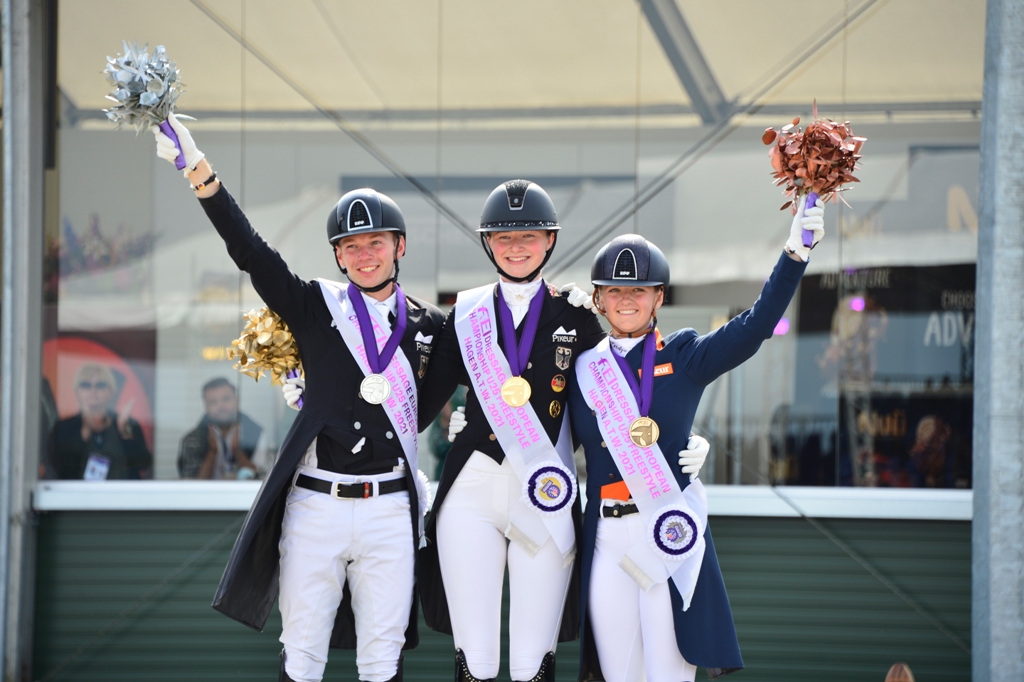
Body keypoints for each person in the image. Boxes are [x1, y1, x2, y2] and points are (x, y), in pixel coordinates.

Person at [153, 114, 445, 682]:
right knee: (303, 655)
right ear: (338, 256)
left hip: (389, 508)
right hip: (317, 504)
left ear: (399, 246)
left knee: (382, 659)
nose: (364, 255)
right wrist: (199, 173)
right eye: (351, 246)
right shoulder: (314, 306)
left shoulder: (430, 326)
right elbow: (251, 252)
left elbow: (430, 407)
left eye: (376, 242)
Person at [566, 197, 824, 682]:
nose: (627, 299)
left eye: (639, 290)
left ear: (659, 298)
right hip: (606, 537)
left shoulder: (684, 356)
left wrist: (795, 254)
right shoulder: (583, 369)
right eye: (615, 290)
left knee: (668, 674)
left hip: (665, 528)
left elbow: (755, 326)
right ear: (598, 299)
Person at [413, 180, 605, 682]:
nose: (516, 247)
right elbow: (418, 404)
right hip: (471, 491)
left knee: (532, 662)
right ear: (488, 244)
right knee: (474, 658)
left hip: (544, 491)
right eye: (504, 237)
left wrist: (673, 438)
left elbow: (614, 399)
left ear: (550, 241)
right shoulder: (466, 315)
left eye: (529, 236)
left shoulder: (577, 316)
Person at [46, 363, 152, 480]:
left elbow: (143, 464)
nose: (93, 391)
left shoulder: (127, 424)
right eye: (86, 385)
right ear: (77, 392)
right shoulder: (64, 427)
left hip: (119, 491)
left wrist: (124, 430)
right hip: (79, 492)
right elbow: (57, 467)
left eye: (100, 385)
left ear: (111, 392)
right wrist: (82, 435)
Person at [178, 377, 270, 480]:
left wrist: (237, 452)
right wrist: (212, 452)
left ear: (237, 400)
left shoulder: (256, 433)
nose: (221, 406)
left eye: (226, 399)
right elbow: (192, 484)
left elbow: (261, 479)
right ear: (206, 406)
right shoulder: (192, 439)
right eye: (213, 402)